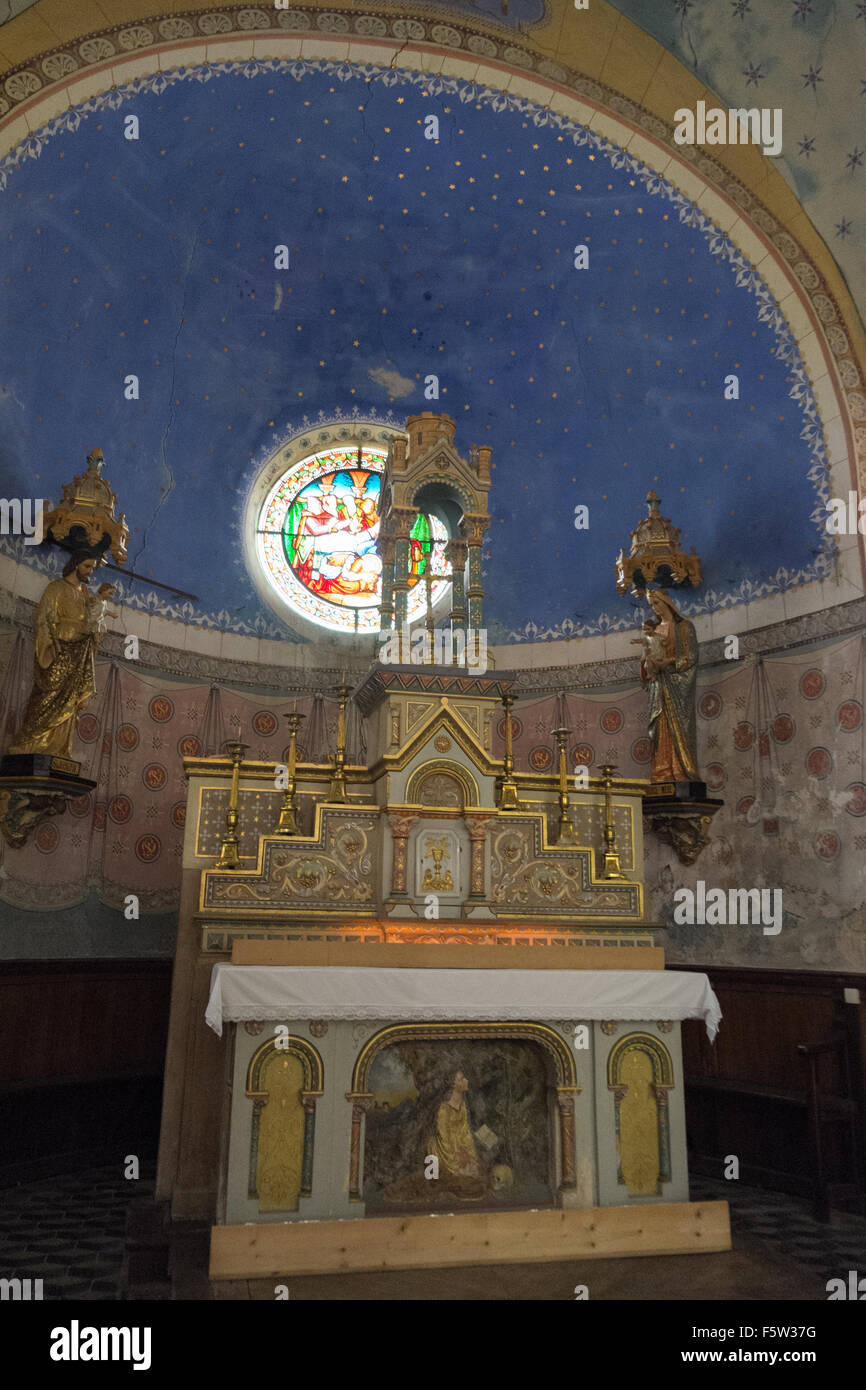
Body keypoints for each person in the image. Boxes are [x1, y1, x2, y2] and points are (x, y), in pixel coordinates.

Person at [10, 552, 115, 757]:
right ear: (75, 565)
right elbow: (44, 618)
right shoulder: (56, 588)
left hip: (79, 653)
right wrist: (51, 643)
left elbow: (90, 620)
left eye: (92, 568)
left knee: (71, 700)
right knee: (48, 695)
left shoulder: (84, 594)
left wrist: (92, 635)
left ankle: (59, 749)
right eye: (87, 566)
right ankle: (30, 743)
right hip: (59, 651)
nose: (90, 572)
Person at [640, 588, 699, 784]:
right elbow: (645, 668)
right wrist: (648, 663)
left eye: (657, 603)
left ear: (667, 602)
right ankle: (662, 771)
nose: (655, 609)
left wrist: (669, 662)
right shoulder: (653, 632)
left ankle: (682, 771)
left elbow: (691, 657)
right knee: (660, 727)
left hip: (677, 688)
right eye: (651, 605)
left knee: (679, 728)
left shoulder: (684, 628)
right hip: (659, 688)